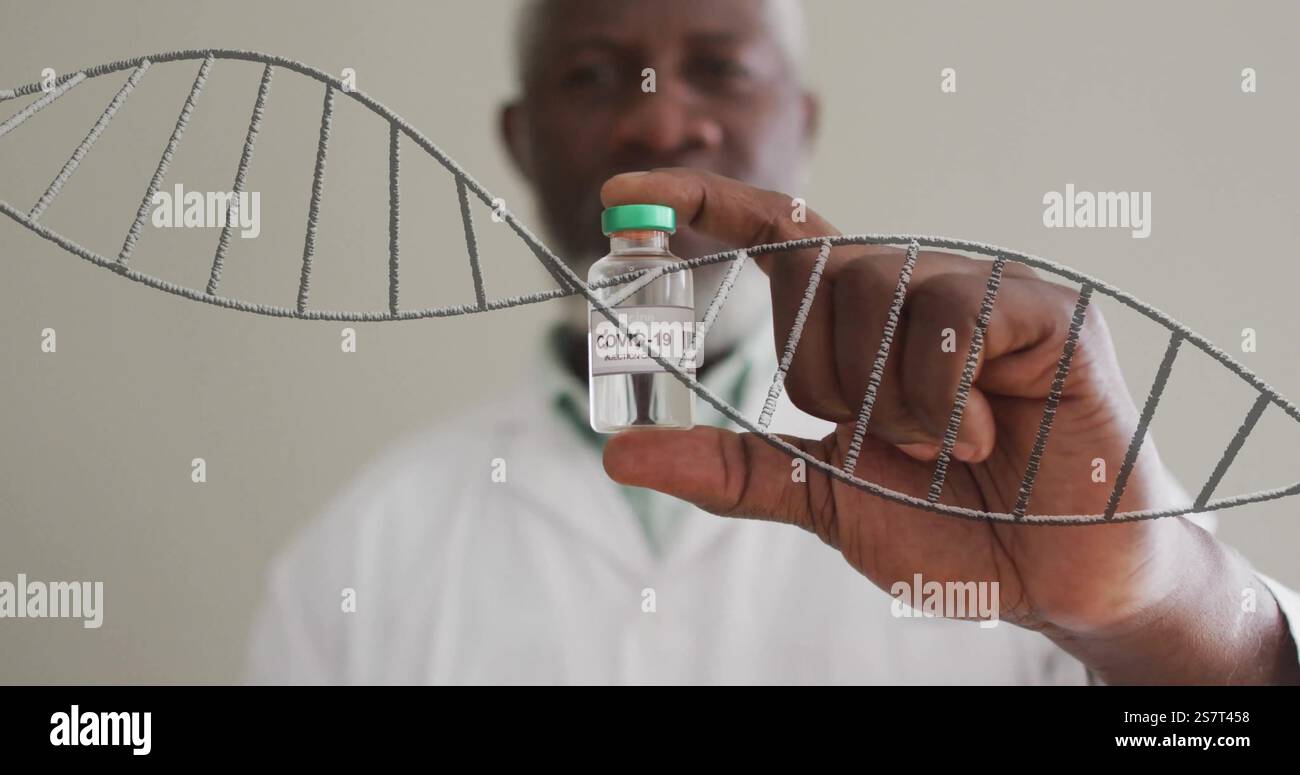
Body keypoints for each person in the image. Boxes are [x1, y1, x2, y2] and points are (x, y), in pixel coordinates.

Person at [245, 0, 1300, 684]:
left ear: (801, 119)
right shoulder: (364, 552)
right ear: (519, 138)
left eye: (718, 67)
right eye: (592, 75)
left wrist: (1151, 610)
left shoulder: (995, 457)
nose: (659, 127)